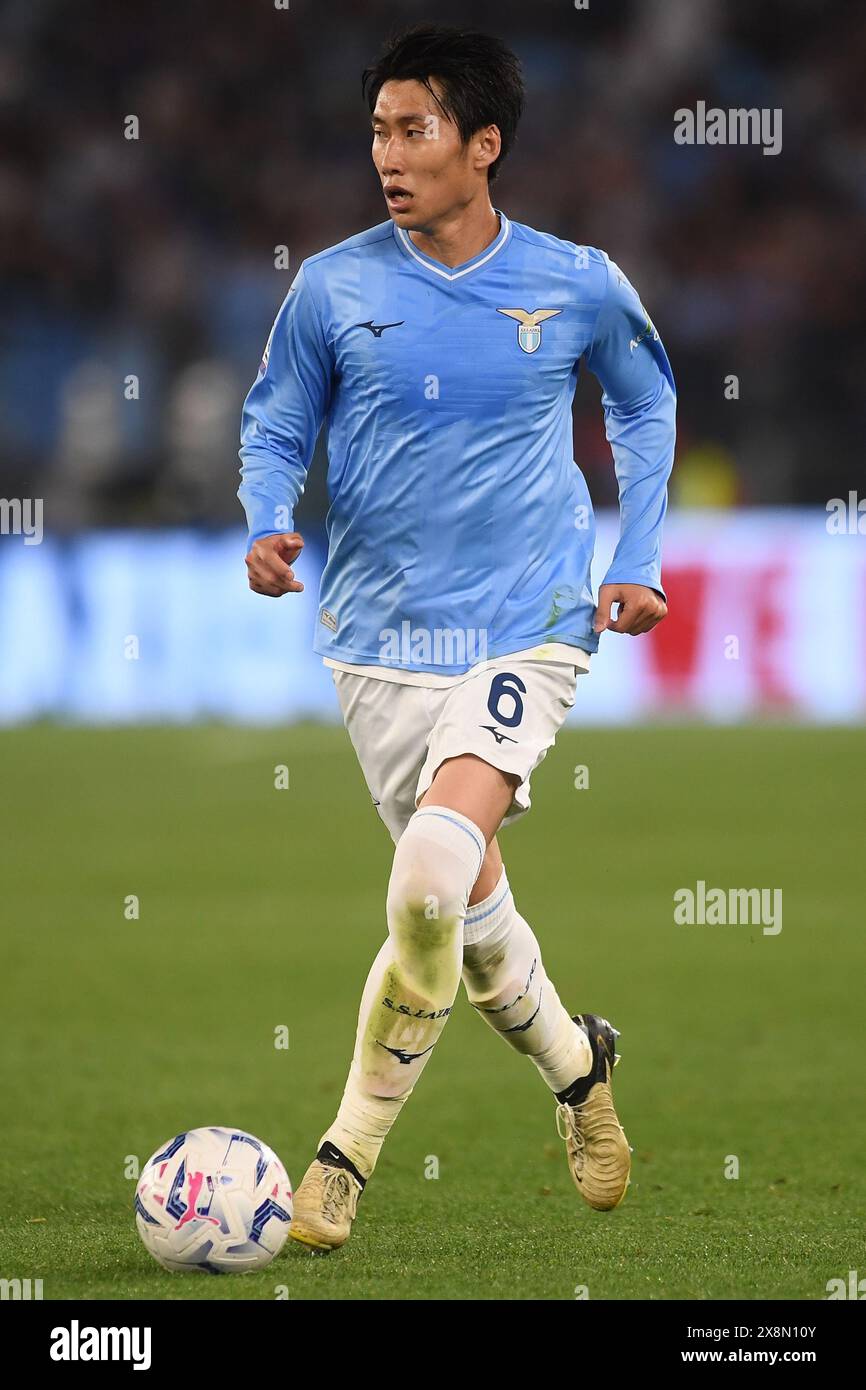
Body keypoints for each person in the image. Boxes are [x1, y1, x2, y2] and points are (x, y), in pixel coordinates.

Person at [238, 24, 675, 1252]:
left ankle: (343, 1155)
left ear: (481, 146)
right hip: (375, 644)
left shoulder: (575, 279)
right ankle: (577, 1066)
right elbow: (274, 422)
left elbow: (645, 401)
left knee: (430, 870)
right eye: (378, 129)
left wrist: (633, 556)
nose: (388, 152)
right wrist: (268, 520)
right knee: (465, 929)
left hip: (527, 626)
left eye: (413, 128)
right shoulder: (331, 284)